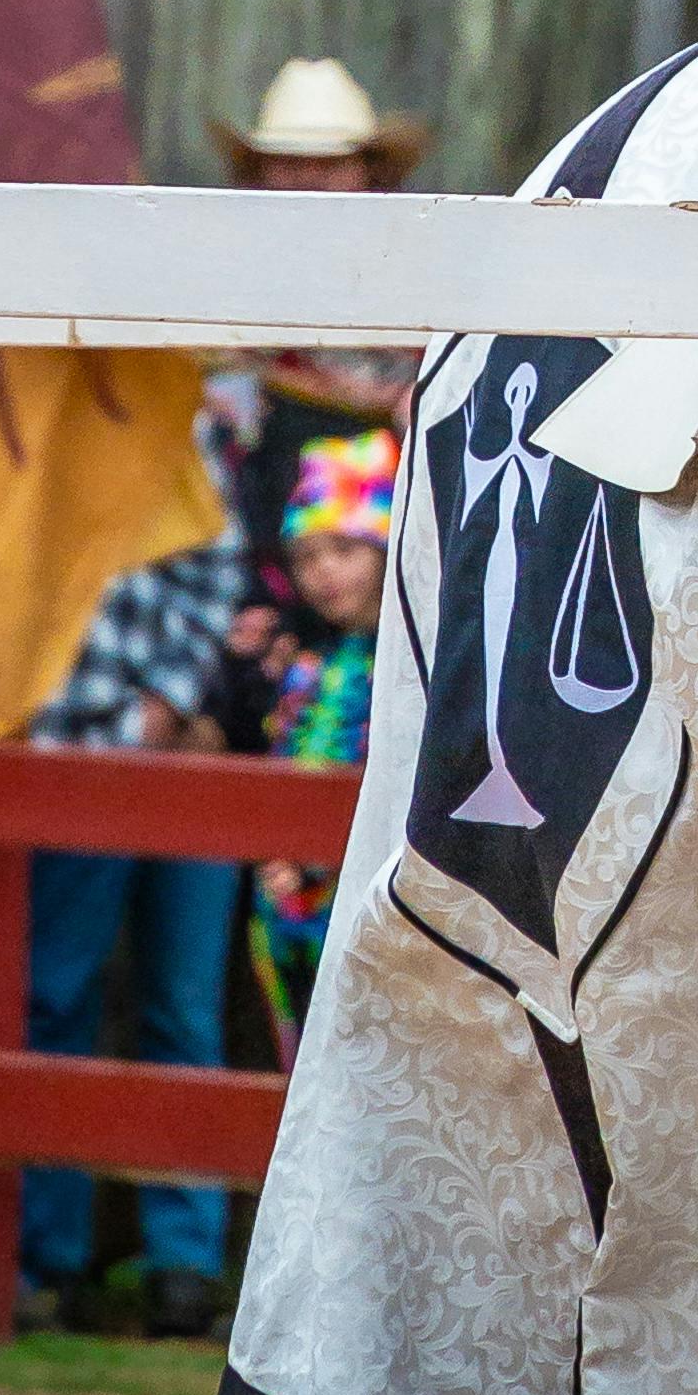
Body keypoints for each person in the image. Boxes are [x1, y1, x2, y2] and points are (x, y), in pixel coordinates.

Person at [18, 495, 252, 1337]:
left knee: (182, 1010)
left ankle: (181, 1267)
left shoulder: (169, 418)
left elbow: (221, 559)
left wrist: (170, 695)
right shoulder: (21, 429)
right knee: (56, 1001)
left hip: (178, 745)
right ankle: (47, 1260)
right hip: (61, 752)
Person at [198, 428, 394, 1058]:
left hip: (371, 912)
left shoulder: (412, 671)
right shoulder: (304, 666)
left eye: (345, 549)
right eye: (307, 557)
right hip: (285, 920)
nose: (324, 572)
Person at [201, 56, 420, 620]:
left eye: (329, 164)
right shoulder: (224, 273)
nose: (307, 179)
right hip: (260, 526)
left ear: (368, 174)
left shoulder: (413, 271)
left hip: (385, 538)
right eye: (288, 164)